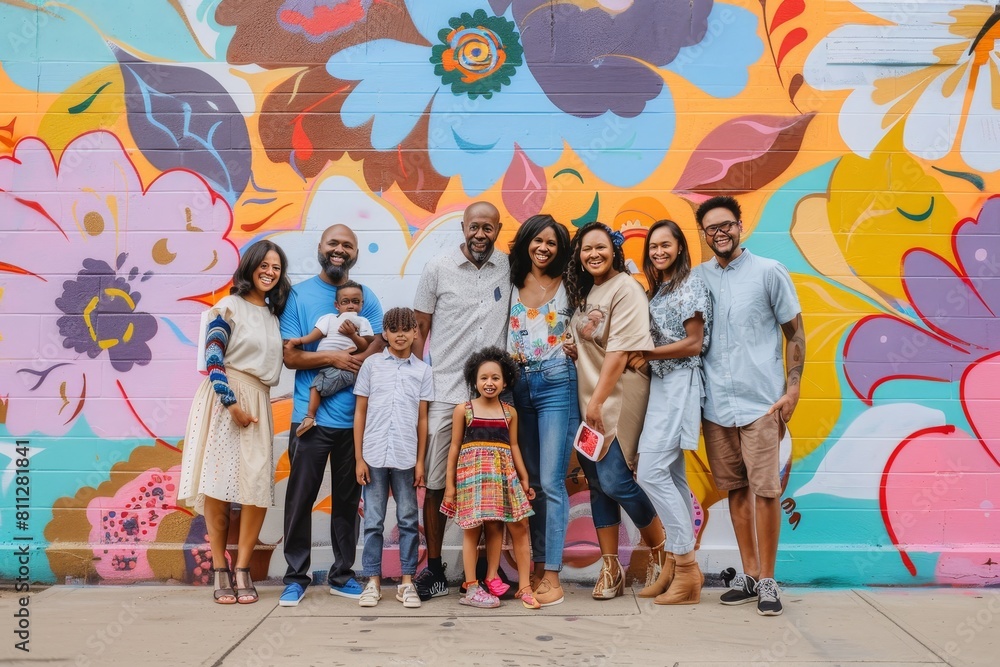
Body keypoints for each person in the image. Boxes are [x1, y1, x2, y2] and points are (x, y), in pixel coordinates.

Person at [692, 195, 805, 617]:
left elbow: (795, 333)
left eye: (726, 225)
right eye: (712, 228)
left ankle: (770, 580)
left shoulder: (769, 272)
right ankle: (751, 574)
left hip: (762, 403)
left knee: (766, 491)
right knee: (736, 490)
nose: (720, 233)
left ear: (740, 226)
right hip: (716, 405)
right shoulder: (697, 278)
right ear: (704, 235)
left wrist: (793, 389)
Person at [179, 239, 291, 605]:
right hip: (225, 397)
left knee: (256, 486)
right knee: (218, 484)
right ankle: (219, 568)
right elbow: (213, 354)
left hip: (258, 398)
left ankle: (243, 568)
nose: (270, 272)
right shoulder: (229, 306)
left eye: (276, 267)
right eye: (264, 265)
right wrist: (230, 403)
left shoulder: (275, 316)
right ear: (250, 266)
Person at [278, 224, 384, 607]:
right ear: (320, 247)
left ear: (355, 253)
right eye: (333, 243)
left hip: (354, 422)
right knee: (300, 500)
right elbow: (291, 355)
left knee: (347, 504)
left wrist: (353, 357)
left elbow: (378, 346)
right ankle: (296, 577)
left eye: (347, 245)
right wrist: (334, 358)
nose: (340, 250)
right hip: (310, 420)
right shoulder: (298, 296)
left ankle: (342, 575)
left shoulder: (365, 297)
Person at [412, 201, 510, 600]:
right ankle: (435, 570)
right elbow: (420, 327)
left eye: (488, 228)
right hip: (445, 392)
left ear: (497, 229)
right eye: (474, 227)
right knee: (437, 483)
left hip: (492, 400)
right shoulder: (437, 267)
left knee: (492, 485)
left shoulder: (508, 266)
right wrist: (416, 383)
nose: (480, 234)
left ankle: (488, 572)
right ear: (464, 227)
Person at [564, 222, 666, 600]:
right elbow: (589, 342)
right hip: (589, 398)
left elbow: (621, 352)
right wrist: (573, 348)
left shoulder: (625, 288)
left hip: (618, 396)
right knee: (596, 484)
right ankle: (611, 568)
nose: (594, 254)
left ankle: (663, 551)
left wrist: (596, 402)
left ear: (614, 251)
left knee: (616, 480)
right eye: (587, 249)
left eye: (601, 247)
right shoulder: (588, 291)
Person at [635, 219, 712, 605]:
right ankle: (674, 566)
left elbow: (694, 343)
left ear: (680, 247)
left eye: (666, 244)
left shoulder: (690, 284)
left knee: (650, 472)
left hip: (681, 381)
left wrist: (647, 354)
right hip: (663, 384)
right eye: (653, 246)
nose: (659, 251)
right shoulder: (663, 288)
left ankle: (686, 569)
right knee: (673, 477)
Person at [506, 213, 578, 606]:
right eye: (538, 240)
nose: (544, 248)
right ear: (526, 242)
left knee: (551, 481)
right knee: (530, 482)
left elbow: (600, 314)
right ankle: (535, 567)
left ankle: (552, 574)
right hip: (518, 385)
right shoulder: (510, 281)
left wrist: (582, 344)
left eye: (552, 242)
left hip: (556, 383)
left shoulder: (571, 282)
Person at [442, 347, 538, 609]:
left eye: (496, 377)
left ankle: (495, 577)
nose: (489, 382)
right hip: (472, 477)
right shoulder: (464, 410)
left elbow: (514, 446)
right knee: (472, 529)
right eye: (483, 377)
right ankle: (472, 586)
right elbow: (454, 448)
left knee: (497, 525)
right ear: (474, 381)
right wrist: (450, 486)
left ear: (505, 382)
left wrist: (524, 477)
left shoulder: (510, 413)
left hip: (501, 477)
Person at [353, 307, 434, 609]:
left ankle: (406, 582)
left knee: (408, 520)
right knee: (373, 521)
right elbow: (360, 412)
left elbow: (422, 420)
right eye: (394, 329)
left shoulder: (423, 371)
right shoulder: (371, 365)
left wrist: (420, 462)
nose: (400, 335)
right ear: (385, 334)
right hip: (373, 455)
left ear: (415, 333)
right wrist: (359, 458)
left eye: (406, 329)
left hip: (406, 457)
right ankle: (372, 582)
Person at [289, 280, 374, 438]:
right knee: (316, 385)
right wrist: (299, 341)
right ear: (337, 305)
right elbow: (315, 335)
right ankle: (310, 417)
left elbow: (364, 345)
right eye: (345, 302)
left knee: (316, 387)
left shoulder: (362, 322)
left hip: (345, 369)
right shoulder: (328, 318)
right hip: (325, 366)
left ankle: (310, 417)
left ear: (361, 304)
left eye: (356, 302)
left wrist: (352, 335)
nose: (351, 306)